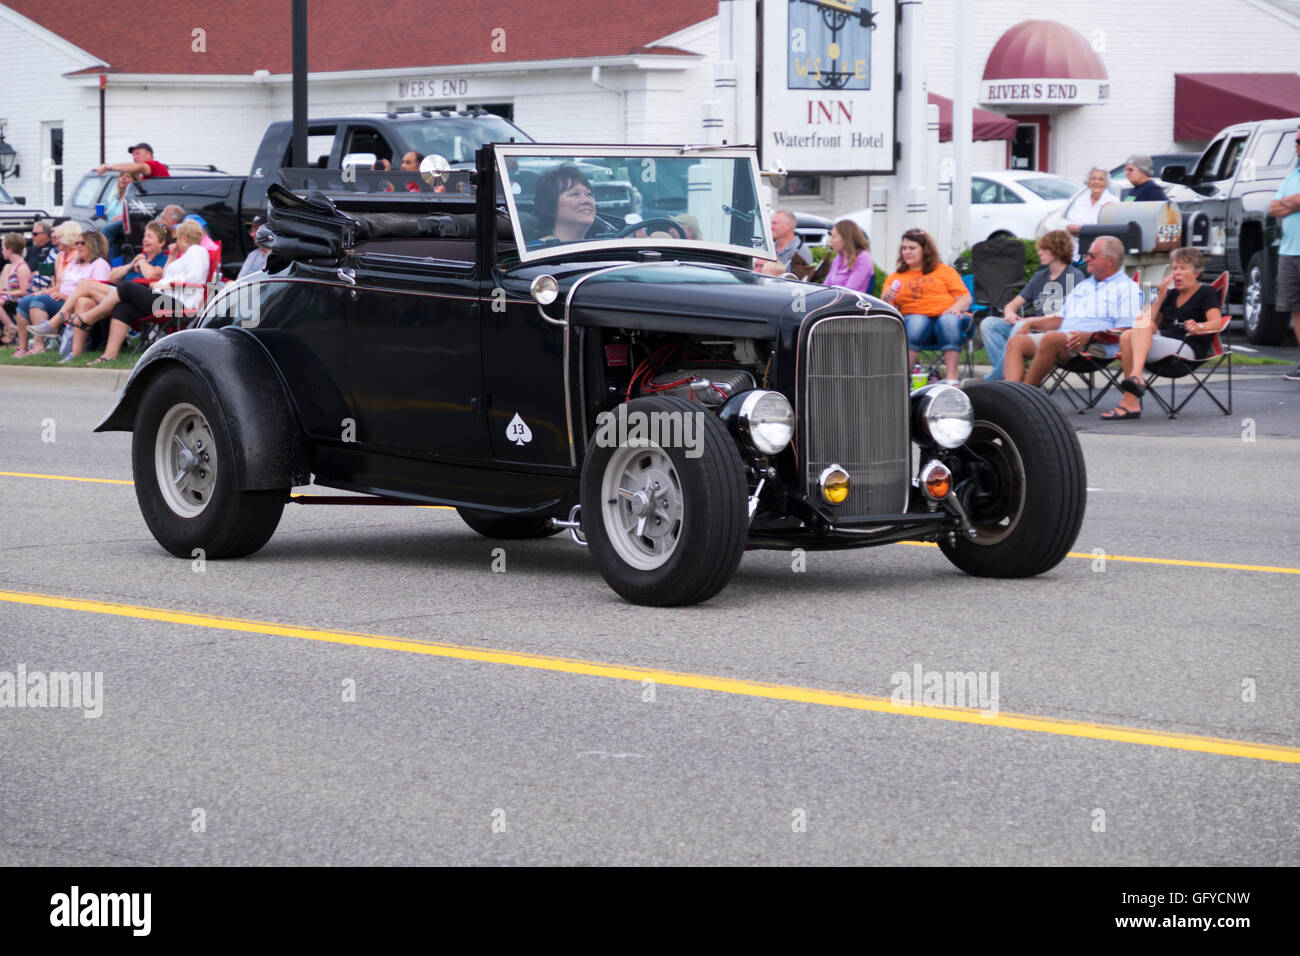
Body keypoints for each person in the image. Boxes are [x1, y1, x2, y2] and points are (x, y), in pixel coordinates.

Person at [1102, 247, 1223, 420]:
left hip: (1186, 348)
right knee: (1130, 333)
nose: (1177, 273)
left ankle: (1132, 393)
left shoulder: (1206, 292)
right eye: (1174, 268)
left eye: (1183, 268)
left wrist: (1199, 327)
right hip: (1161, 343)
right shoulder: (1170, 295)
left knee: (1133, 332)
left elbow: (1217, 322)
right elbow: (1149, 324)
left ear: (1197, 272)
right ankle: (1134, 388)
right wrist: (1159, 298)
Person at [1003, 236, 1141, 386]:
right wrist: (1031, 323)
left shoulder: (1128, 288)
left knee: (1051, 339)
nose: (1087, 259)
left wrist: (1091, 336)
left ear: (1111, 261)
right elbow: (1059, 320)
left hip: (1095, 348)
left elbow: (1127, 332)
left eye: (1092, 255)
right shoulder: (1084, 286)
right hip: (1063, 341)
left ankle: (1024, 398)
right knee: (1016, 342)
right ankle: (1012, 394)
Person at [88, 220, 209, 365]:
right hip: (167, 298)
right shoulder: (184, 255)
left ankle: (89, 318)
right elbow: (166, 275)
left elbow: (194, 278)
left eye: (176, 239)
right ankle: (109, 355)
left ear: (184, 238)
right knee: (124, 308)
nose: (175, 242)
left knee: (126, 288)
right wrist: (171, 256)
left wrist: (166, 286)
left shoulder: (197, 250)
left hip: (180, 304)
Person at [57, 221, 173, 361]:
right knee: (83, 301)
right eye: (144, 237)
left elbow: (153, 275)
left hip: (140, 301)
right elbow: (111, 276)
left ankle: (57, 321)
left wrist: (142, 263)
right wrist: (131, 265)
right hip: (118, 299)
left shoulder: (163, 259)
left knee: (87, 284)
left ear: (161, 243)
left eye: (149, 237)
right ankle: (76, 353)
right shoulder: (137, 259)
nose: (144, 240)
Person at [979, 229, 1085, 381]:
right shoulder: (1039, 277)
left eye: (1044, 249)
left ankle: (994, 380)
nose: (1040, 253)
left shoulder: (1073, 276)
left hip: (1053, 330)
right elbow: (1013, 304)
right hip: (1032, 327)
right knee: (989, 324)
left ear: (1057, 250)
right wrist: (1010, 313)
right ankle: (1006, 376)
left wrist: (1030, 321)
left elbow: (1066, 315)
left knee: (1019, 327)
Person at [880, 228, 972, 382]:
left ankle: (952, 379)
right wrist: (885, 298)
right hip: (916, 327)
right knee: (918, 321)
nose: (907, 252)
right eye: (904, 248)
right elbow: (887, 311)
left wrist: (955, 307)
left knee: (948, 319)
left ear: (925, 250)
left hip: (949, 322)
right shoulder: (895, 278)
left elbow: (966, 298)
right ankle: (902, 380)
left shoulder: (944, 270)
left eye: (912, 248)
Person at [12, 221, 82, 356]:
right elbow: (53, 280)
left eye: (35, 234)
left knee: (38, 301)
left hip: (68, 298)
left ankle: (38, 346)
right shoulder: (56, 254)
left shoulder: (76, 256)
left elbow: (70, 284)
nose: (55, 240)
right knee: (25, 301)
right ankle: (22, 347)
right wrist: (43, 290)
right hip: (52, 291)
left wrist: (43, 291)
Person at [1267, 128, 1300, 382]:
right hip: (1289, 251)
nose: (1296, 145)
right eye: (1295, 141)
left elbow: (1283, 205)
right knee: (1295, 309)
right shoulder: (1293, 174)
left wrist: (1286, 204)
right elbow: (1272, 208)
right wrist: (1294, 201)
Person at [531, 165, 598, 244]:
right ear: (550, 206)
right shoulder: (537, 252)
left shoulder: (602, 247)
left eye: (589, 194)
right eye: (574, 194)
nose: (586, 200)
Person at [814, 219, 874, 293]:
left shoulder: (863, 257)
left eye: (833, 237)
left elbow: (849, 291)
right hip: (835, 301)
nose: (830, 240)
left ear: (846, 238)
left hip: (852, 303)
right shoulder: (838, 258)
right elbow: (826, 286)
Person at [1063, 167, 1120, 238]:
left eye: (1101, 179)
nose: (1096, 182)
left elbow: (1111, 229)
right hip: (1080, 243)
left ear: (1107, 183)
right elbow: (1071, 225)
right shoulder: (1080, 200)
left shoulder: (1114, 202)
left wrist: (1083, 229)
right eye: (1093, 179)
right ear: (1088, 183)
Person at [758, 210, 814, 278]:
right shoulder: (770, 248)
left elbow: (803, 281)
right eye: (771, 223)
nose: (771, 227)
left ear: (788, 225)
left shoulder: (801, 251)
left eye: (775, 223)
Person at [0, 233, 32, 346]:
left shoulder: (21, 268)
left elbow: (24, 291)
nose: (2, 251)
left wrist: (4, 292)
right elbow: (3, 287)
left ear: (10, 249)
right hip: (7, 296)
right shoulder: (9, 266)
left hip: (17, 299)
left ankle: (11, 327)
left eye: (3, 248)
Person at [95, 142, 169, 180]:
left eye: (137, 154)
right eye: (133, 155)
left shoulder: (155, 165)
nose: (134, 157)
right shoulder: (145, 175)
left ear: (148, 154)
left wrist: (108, 167)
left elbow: (139, 166)